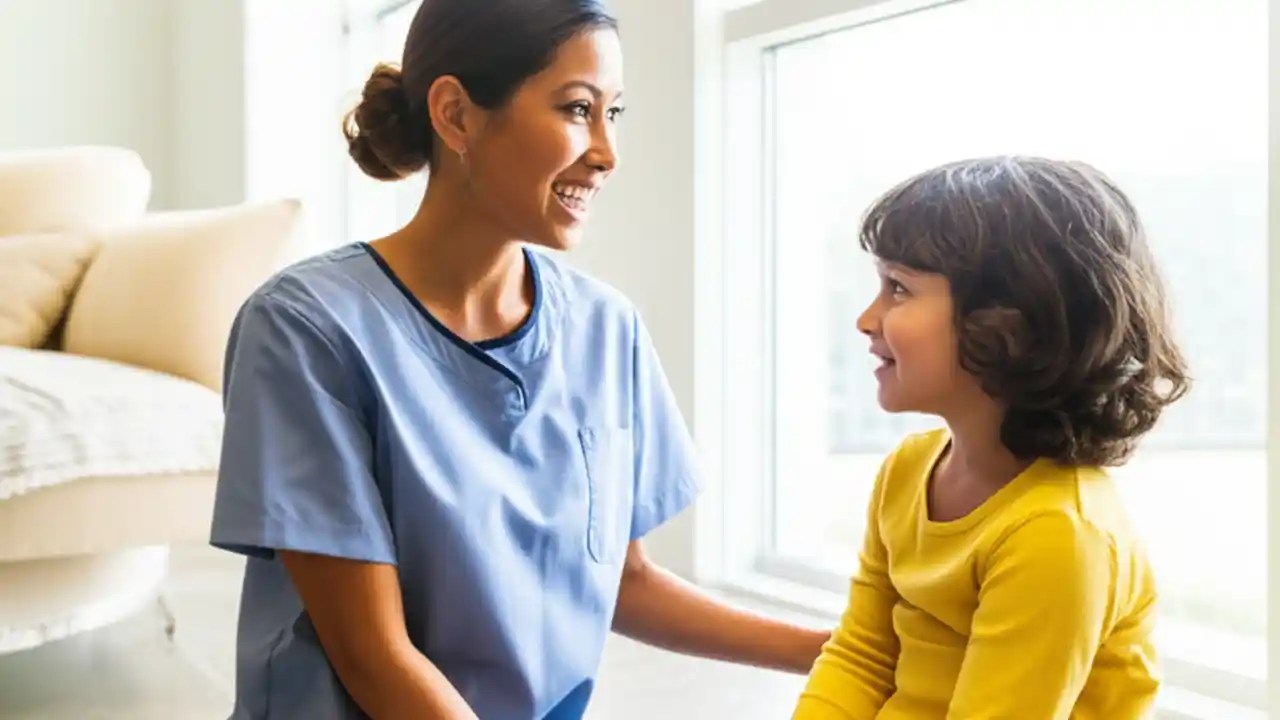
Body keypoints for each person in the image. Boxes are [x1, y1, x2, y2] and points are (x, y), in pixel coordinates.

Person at [209, 1, 828, 718]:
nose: (607, 152)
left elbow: (624, 582)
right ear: (456, 115)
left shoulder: (606, 329)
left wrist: (837, 649)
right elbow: (374, 657)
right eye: (577, 109)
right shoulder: (306, 328)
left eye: (613, 113)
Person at [793, 157, 1189, 719]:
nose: (867, 318)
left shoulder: (1057, 534)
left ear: (1007, 324)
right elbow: (862, 657)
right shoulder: (909, 469)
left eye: (898, 288)